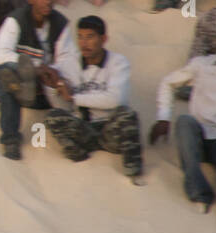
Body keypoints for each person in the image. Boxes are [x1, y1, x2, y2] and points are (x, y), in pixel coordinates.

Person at [151, 18, 216, 233]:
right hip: (201, 134)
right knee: (184, 123)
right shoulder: (202, 65)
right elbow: (168, 83)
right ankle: (199, 193)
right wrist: (163, 117)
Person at [0, 0, 79, 160]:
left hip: (39, 90)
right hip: (3, 85)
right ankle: (10, 140)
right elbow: (2, 54)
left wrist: (56, 74)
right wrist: (37, 67)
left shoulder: (60, 24)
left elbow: (68, 59)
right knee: (9, 76)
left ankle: (74, 141)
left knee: (70, 85)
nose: (47, 1)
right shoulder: (15, 21)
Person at [41, 15, 143, 182]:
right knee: (52, 117)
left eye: (90, 37)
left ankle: (133, 170)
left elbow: (115, 99)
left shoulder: (119, 63)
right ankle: (78, 157)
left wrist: (74, 98)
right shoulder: (69, 63)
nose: (84, 43)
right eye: (80, 37)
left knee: (127, 114)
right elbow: (58, 98)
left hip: (110, 129)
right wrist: (53, 85)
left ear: (103, 39)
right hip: (83, 129)